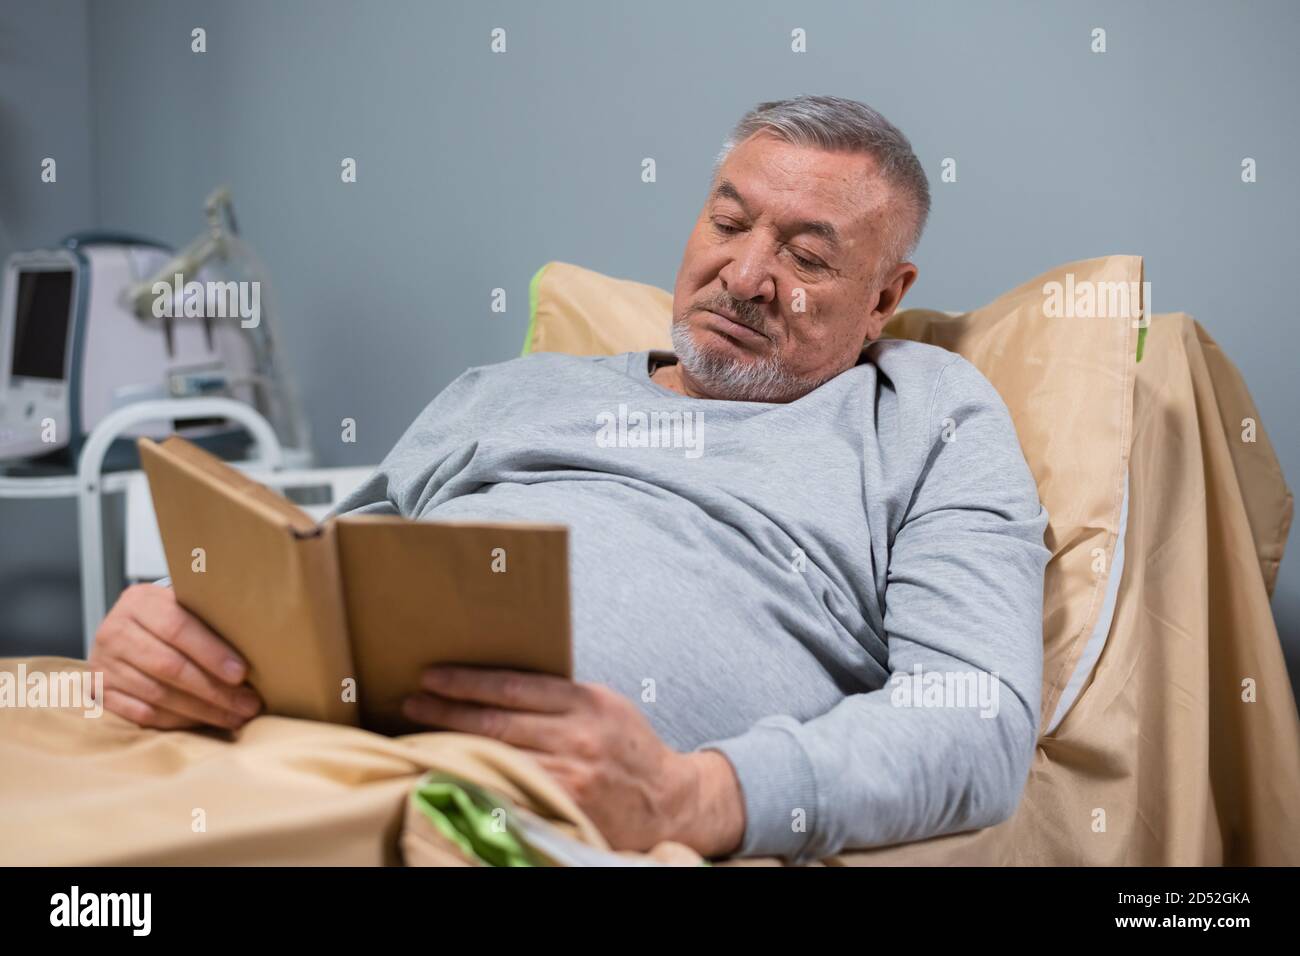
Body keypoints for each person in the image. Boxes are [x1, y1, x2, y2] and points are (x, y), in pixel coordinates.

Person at [90, 95, 1051, 864]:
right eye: (727, 223)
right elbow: (316, 577)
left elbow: (973, 717)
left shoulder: (928, 413)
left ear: (886, 297)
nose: (746, 275)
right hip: (293, 743)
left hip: (503, 810)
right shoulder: (512, 393)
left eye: (806, 256)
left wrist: (701, 797)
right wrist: (178, 625)